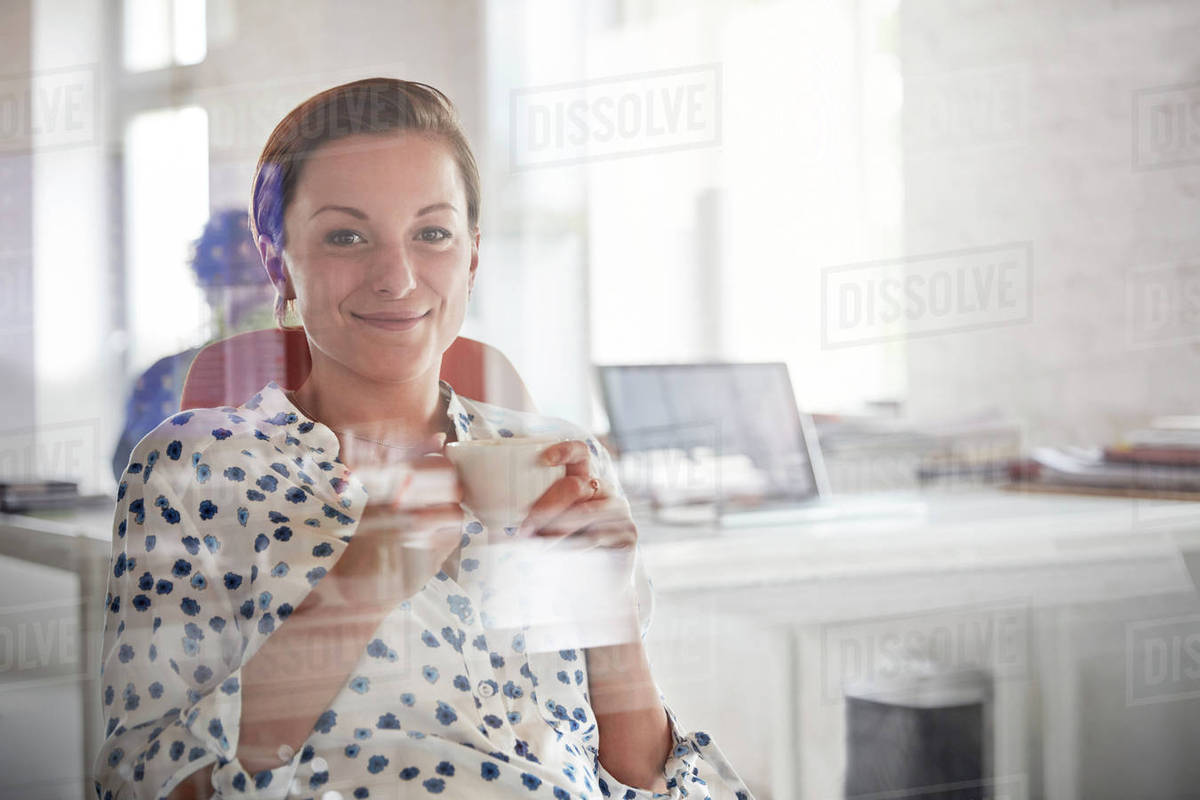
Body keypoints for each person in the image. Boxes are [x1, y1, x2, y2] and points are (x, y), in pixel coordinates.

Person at [92, 78, 753, 800]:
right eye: (347, 236)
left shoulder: (558, 461)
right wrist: (359, 587)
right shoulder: (192, 467)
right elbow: (142, 784)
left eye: (432, 233)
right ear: (279, 261)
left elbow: (647, 781)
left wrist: (611, 610)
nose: (397, 277)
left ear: (472, 255)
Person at [110, 209, 277, 484]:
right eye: (237, 278)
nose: (259, 292)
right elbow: (129, 474)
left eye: (266, 276)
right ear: (207, 287)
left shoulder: (316, 373)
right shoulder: (162, 378)